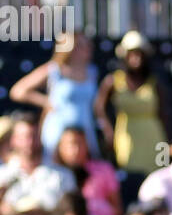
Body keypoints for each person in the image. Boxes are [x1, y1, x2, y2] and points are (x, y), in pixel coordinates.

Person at [95, 32, 170, 197]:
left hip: (153, 136)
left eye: (139, 53)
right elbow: (99, 108)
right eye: (132, 54)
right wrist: (108, 132)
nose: (136, 58)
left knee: (155, 177)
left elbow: (163, 115)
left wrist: (165, 149)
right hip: (126, 135)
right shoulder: (113, 81)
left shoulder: (154, 83)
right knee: (129, 176)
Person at [9, 30, 103, 160]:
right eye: (81, 45)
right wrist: (47, 101)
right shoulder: (55, 69)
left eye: (88, 45)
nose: (87, 48)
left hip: (85, 129)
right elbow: (18, 91)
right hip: (58, 128)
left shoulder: (92, 72)